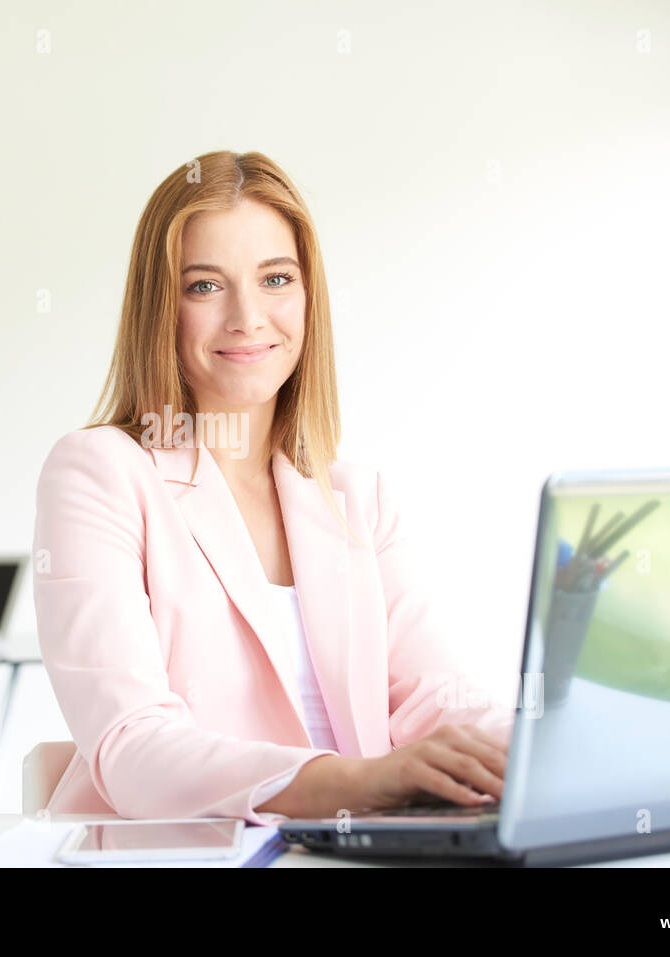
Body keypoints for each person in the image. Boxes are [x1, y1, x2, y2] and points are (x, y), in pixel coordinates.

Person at [31, 150, 513, 825]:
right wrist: (359, 782)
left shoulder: (357, 498)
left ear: (307, 295)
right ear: (160, 308)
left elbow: (437, 696)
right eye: (204, 286)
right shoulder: (98, 473)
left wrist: (541, 748)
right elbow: (131, 744)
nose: (248, 317)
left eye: (275, 279)